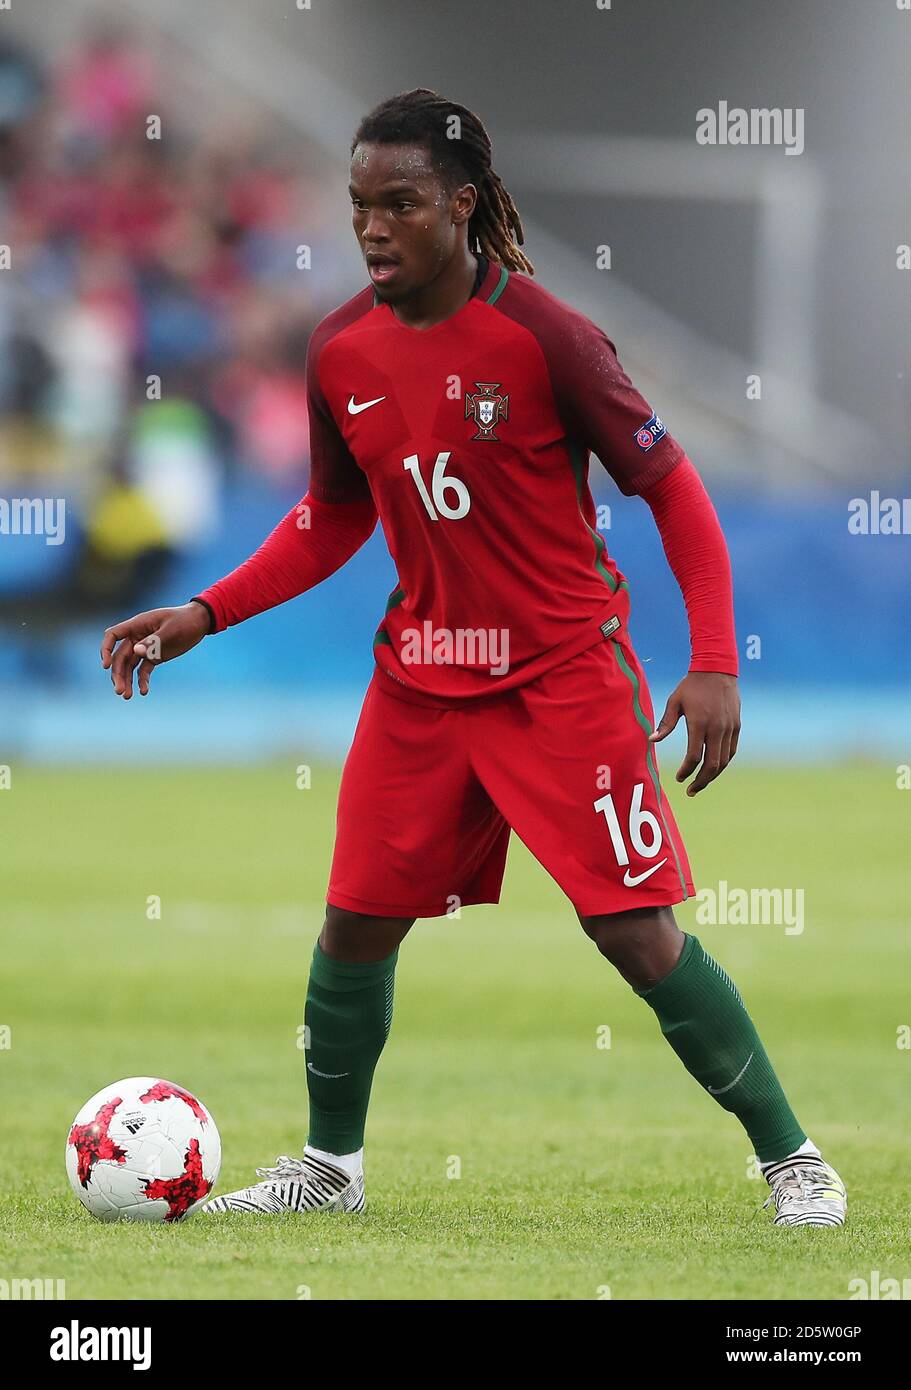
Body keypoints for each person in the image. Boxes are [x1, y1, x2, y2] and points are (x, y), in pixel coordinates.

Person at [101, 89, 846, 1228]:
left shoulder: (547, 337)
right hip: (420, 677)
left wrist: (711, 661)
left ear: (461, 205)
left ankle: (791, 1157)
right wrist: (206, 611)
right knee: (354, 921)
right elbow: (327, 516)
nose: (372, 228)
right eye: (358, 206)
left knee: (632, 931)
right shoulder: (338, 346)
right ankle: (328, 1171)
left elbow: (672, 489)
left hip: (561, 678)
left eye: (398, 204)